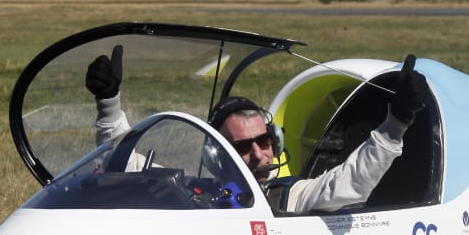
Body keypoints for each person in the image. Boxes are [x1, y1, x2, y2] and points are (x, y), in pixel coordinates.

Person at [86, 46, 428, 212]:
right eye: (243, 147)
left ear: (275, 141)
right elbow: (125, 164)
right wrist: (109, 104)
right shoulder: (196, 194)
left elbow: (350, 182)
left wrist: (396, 122)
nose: (258, 154)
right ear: (217, 156)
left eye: (263, 141)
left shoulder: (293, 197)